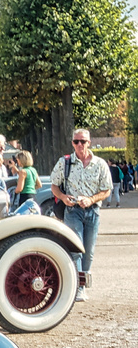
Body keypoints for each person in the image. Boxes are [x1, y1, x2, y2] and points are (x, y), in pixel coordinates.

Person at [50, 128, 113, 303]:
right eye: (76, 141)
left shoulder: (99, 164)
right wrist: (63, 197)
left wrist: (91, 199)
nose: (79, 145)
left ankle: (83, 284)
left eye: (83, 141)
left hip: (92, 211)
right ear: (72, 143)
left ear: (89, 143)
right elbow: (54, 185)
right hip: (73, 210)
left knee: (89, 251)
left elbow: (107, 189)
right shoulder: (65, 162)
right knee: (76, 248)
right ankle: (78, 287)